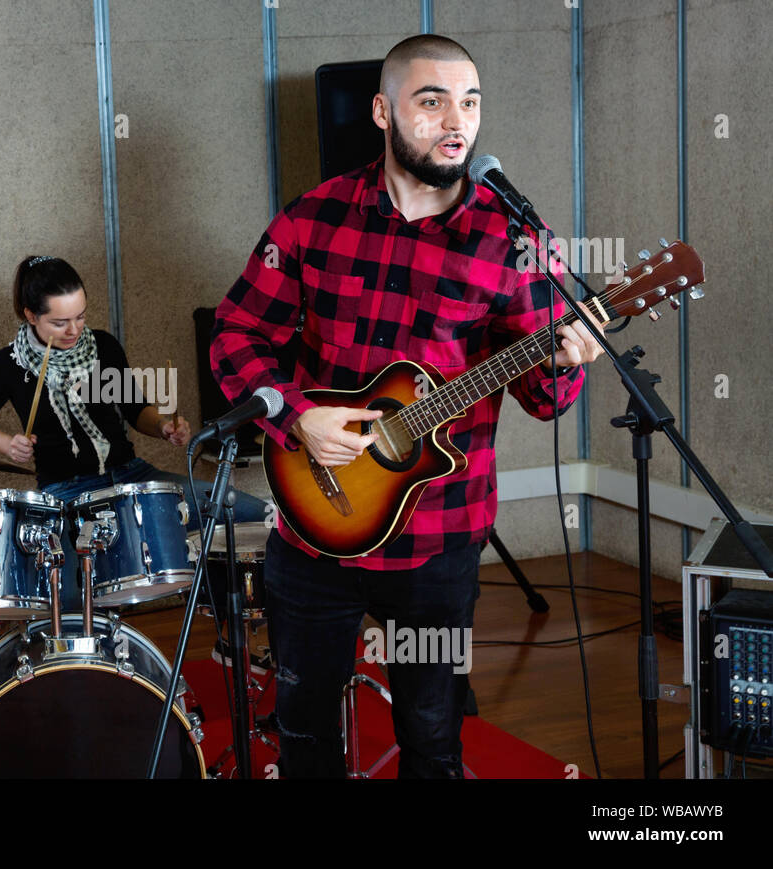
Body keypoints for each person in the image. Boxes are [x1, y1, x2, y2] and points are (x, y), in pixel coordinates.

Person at [210, 34, 604, 778]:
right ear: (384, 112)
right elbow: (237, 333)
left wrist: (567, 361)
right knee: (303, 731)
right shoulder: (314, 217)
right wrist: (295, 414)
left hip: (438, 535)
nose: (456, 119)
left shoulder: (516, 239)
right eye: (432, 101)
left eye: (470, 101)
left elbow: (545, 398)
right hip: (314, 526)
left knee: (432, 734)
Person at [0, 255, 269, 612]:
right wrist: (7, 443)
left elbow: (135, 410)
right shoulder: (9, 364)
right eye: (59, 322)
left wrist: (163, 427)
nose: (74, 330)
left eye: (80, 316)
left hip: (131, 477)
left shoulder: (103, 347)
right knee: (66, 594)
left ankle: (232, 627)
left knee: (254, 513)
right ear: (30, 315)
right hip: (67, 491)